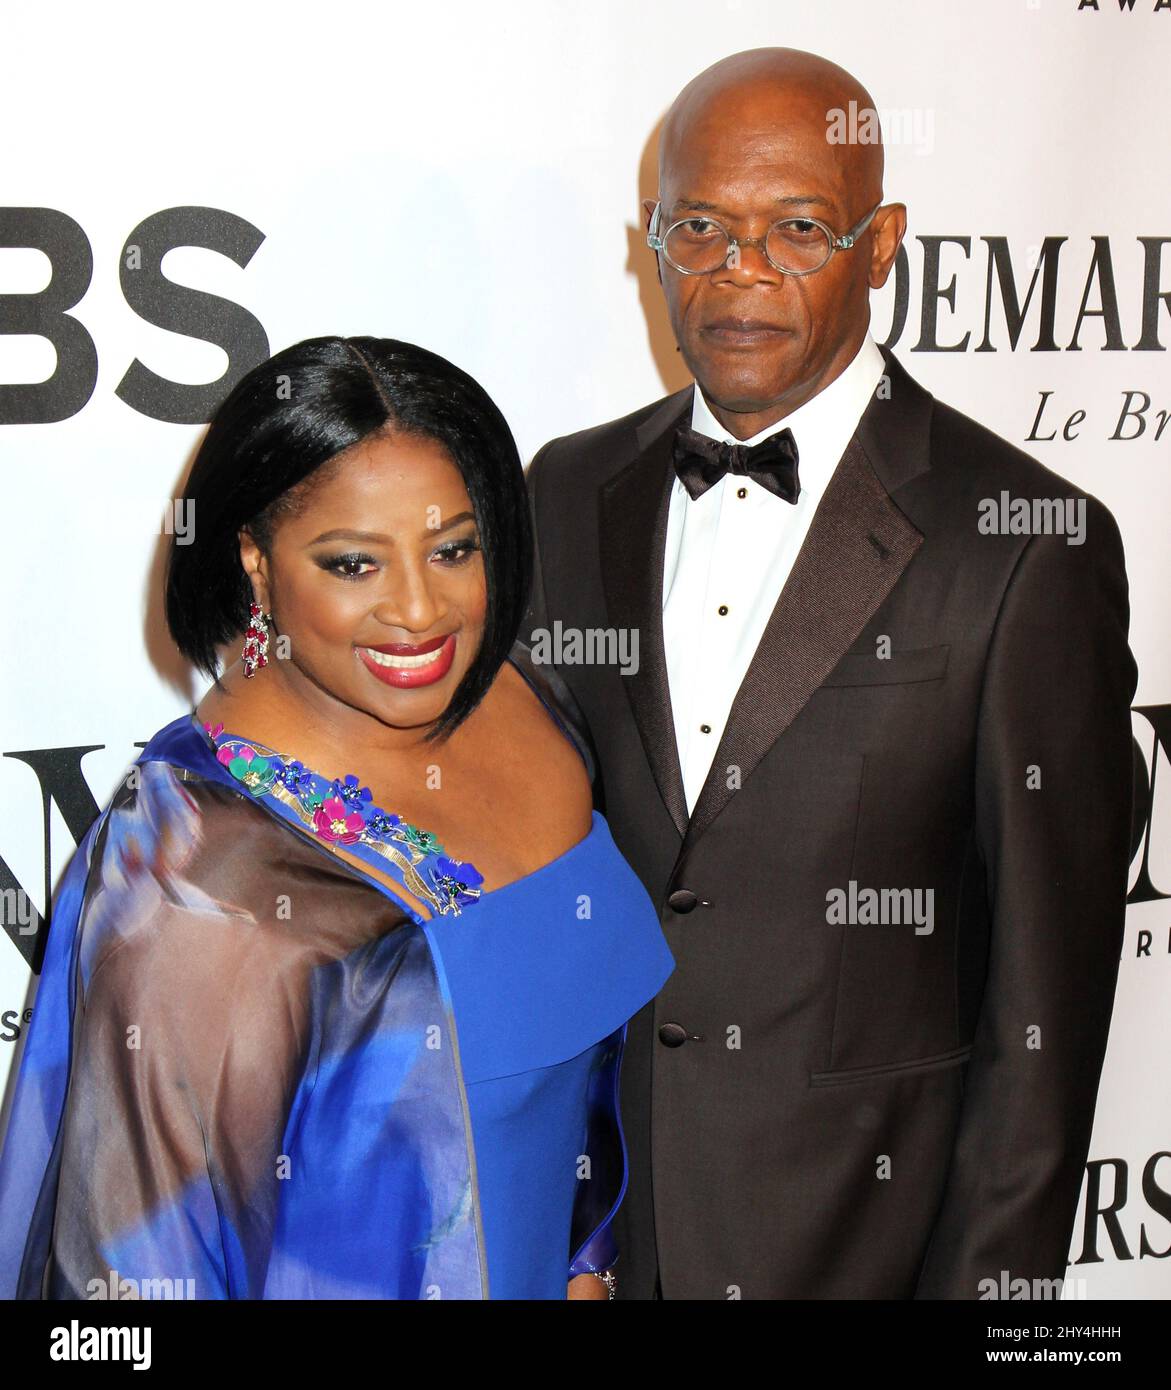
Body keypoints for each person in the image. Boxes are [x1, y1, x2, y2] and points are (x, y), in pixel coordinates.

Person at [523, 48, 1137, 1299]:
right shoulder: (568, 489)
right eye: (698, 225)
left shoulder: (1023, 545)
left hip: (865, 1254)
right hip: (592, 1254)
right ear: (651, 238)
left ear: (879, 242)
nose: (739, 269)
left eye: (798, 228)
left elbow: (1047, 1011)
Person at [0, 335, 674, 1300]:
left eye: (453, 548)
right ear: (256, 566)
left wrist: (585, 1267)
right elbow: (131, 1278)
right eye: (354, 564)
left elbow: (578, 1100)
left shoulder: (535, 704)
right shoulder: (197, 874)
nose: (417, 610)